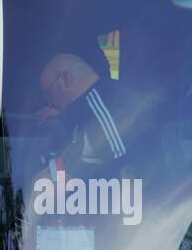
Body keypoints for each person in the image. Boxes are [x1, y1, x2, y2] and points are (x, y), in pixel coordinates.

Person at [36, 52, 147, 181]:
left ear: (66, 79)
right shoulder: (91, 106)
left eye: (49, 94)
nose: (50, 103)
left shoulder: (101, 102)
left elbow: (130, 170)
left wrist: (72, 185)